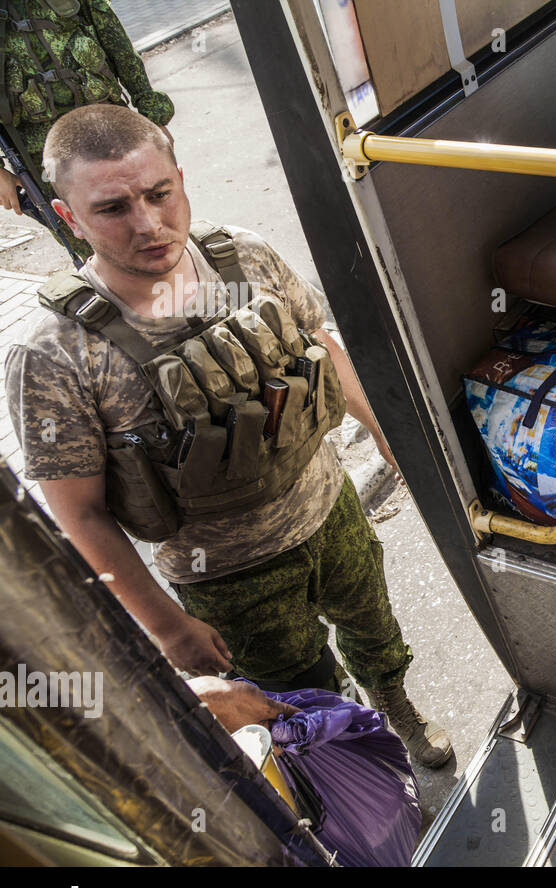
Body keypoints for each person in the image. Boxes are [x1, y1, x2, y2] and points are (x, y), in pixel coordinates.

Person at [3, 104, 453, 768]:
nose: (149, 224)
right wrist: (168, 627)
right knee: (297, 697)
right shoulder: (56, 354)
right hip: (227, 578)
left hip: (330, 510)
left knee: (376, 632)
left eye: (159, 194)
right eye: (113, 208)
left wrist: (390, 439)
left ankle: (395, 708)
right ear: (69, 218)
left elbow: (319, 344)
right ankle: (355, 769)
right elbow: (82, 514)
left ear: (181, 179)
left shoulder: (241, 254)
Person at [0, 0, 174, 260]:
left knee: (148, 219)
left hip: (109, 128)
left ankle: (174, 289)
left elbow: (119, 47)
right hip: (42, 152)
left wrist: (153, 114)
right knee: (85, 241)